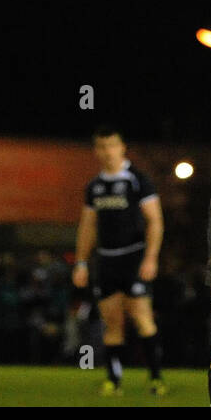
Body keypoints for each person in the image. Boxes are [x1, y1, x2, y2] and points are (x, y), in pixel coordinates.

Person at [72, 127, 165, 395]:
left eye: (111, 145)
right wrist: (80, 263)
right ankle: (114, 380)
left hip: (134, 258)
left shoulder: (138, 180)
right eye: (101, 146)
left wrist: (150, 258)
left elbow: (155, 221)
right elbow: (87, 226)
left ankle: (156, 379)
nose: (106, 151)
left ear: (122, 147)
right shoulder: (95, 186)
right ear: (96, 150)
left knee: (142, 318)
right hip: (106, 261)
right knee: (112, 323)